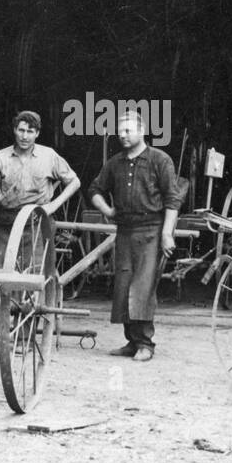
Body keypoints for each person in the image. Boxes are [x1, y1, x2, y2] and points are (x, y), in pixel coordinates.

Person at [87, 109, 184, 362]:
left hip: (151, 231)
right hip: (125, 232)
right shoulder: (115, 163)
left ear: (142, 131)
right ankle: (131, 341)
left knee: (143, 288)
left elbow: (173, 200)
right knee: (123, 286)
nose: (123, 135)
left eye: (128, 130)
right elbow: (95, 189)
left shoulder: (160, 160)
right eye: (120, 131)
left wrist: (166, 234)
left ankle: (145, 344)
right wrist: (108, 210)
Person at [0, 110, 81, 268]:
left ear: (37, 133)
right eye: (21, 130)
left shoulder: (48, 156)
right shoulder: (1, 157)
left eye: (30, 131)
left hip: (37, 226)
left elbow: (74, 182)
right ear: (14, 130)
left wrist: (53, 206)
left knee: (35, 277)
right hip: (6, 224)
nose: (24, 136)